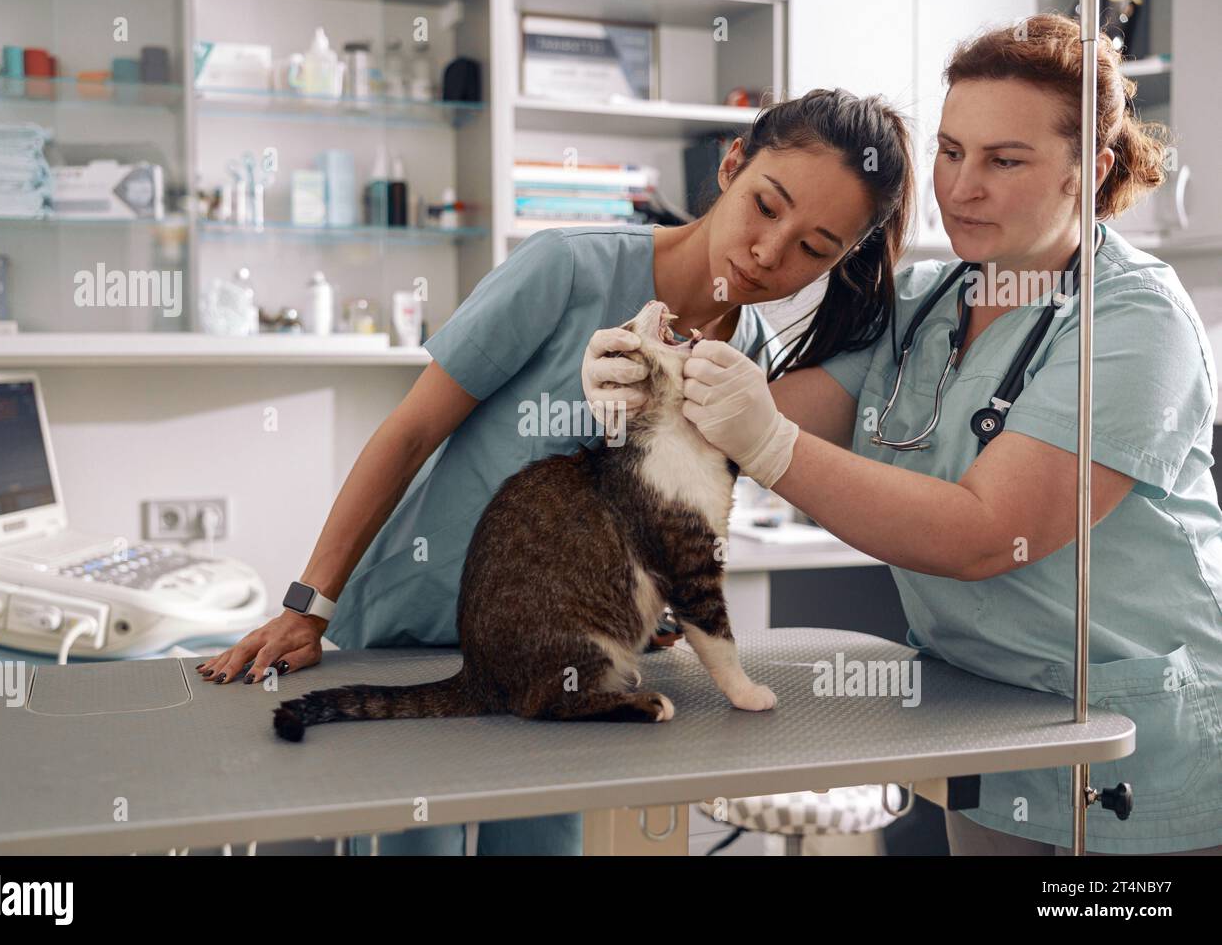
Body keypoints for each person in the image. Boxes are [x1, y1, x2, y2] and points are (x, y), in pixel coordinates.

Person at [192, 89, 917, 855]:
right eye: (766, 206)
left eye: (815, 248)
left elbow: (667, 512)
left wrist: (645, 601)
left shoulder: (752, 358)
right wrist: (309, 605)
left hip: (567, 663)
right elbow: (408, 433)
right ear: (732, 165)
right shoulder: (566, 269)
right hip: (420, 631)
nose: (772, 252)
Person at [586, 14, 1221, 855]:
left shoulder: (1135, 323)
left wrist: (768, 441)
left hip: (1129, 739)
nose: (962, 188)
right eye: (952, 152)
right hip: (979, 725)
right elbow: (768, 412)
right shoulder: (921, 302)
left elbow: (992, 534)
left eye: (1006, 160)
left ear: (1088, 172)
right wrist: (655, 381)